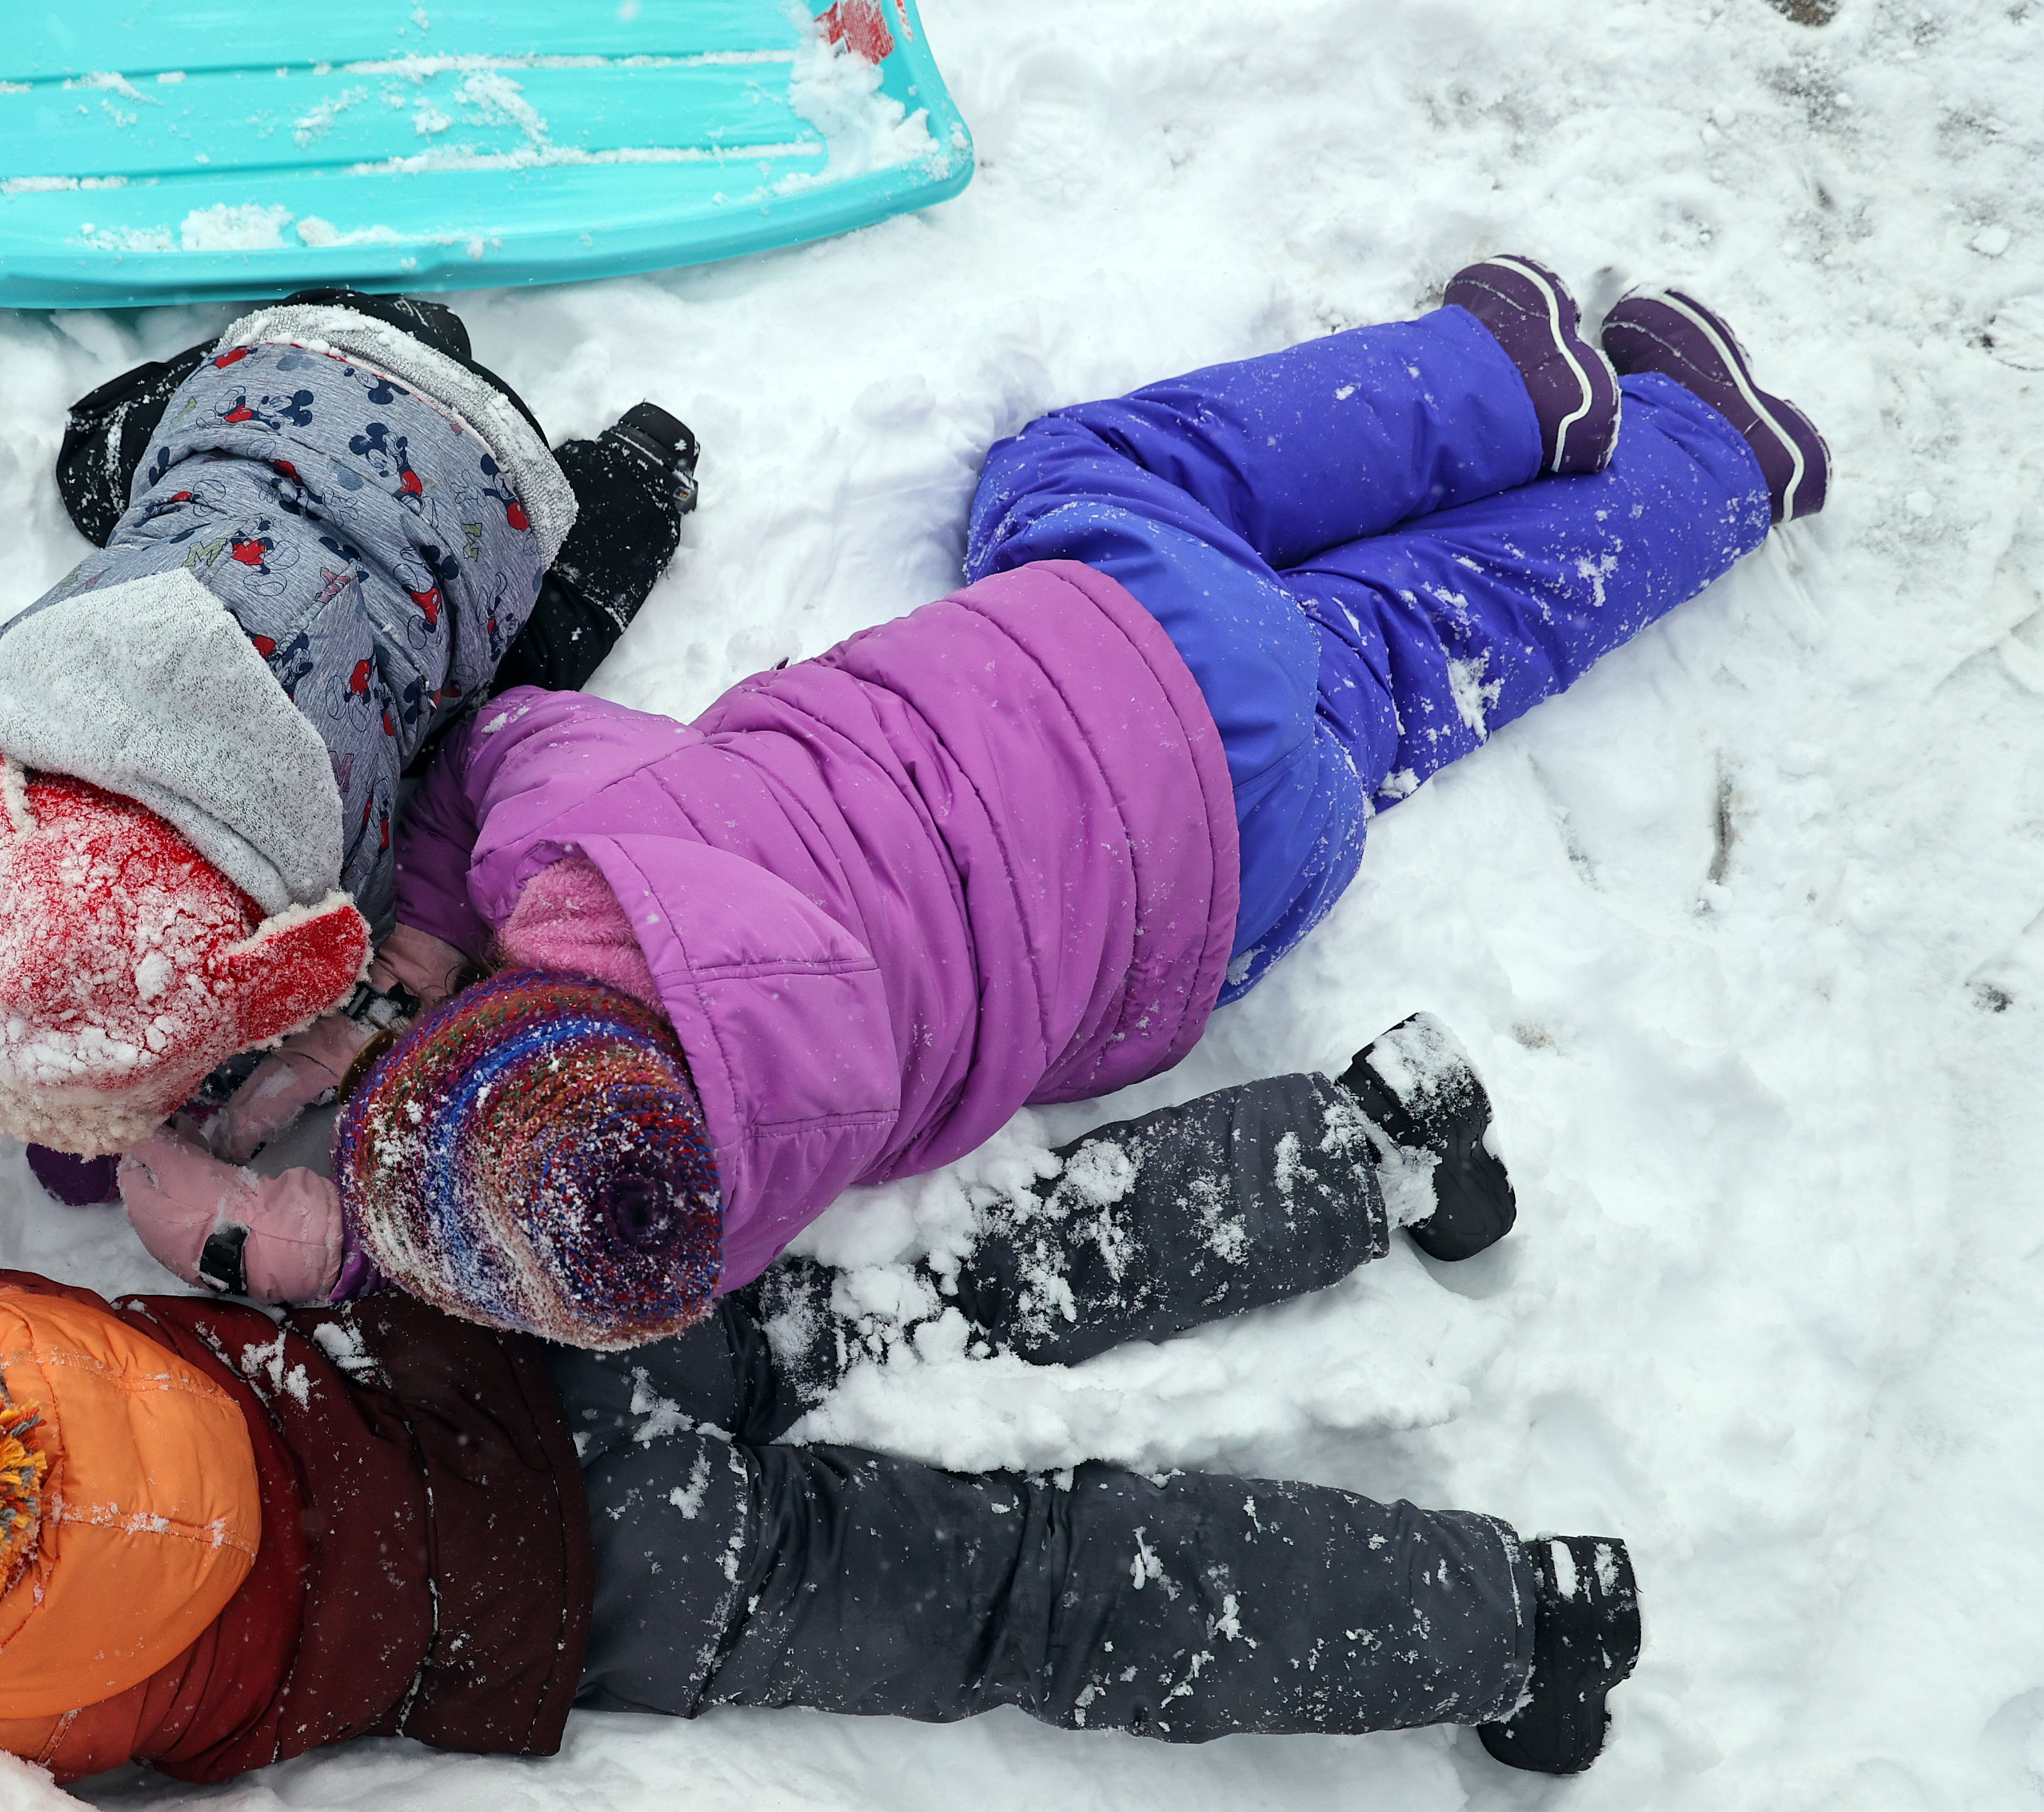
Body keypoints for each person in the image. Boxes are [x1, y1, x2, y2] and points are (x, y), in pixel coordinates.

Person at [111, 262, 1825, 1348]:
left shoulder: (731, 1201)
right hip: (1124, 649)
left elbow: (559, 1220)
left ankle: (1714, 466)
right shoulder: (593, 849)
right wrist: (427, 921)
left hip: (1219, 890)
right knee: (1088, 474)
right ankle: (1498, 381)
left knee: (1397, 654)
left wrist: (325, 1236)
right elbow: (514, 734)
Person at [0, 1075, 1640, 1783]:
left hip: (621, 1589)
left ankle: (1521, 1624)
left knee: (1032, 1591)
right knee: (947, 1279)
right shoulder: (12, 1337)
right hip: (535, 1363)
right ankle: (1365, 1142)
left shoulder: (6, 1708)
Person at [0, 288, 698, 1166]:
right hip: (288, 375)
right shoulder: (11, 689)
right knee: (100, 468)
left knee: (516, 680)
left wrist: (210, 1069)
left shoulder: (324, 861)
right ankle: (398, 331)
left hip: (483, 482)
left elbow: (345, 950)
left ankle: (634, 479)